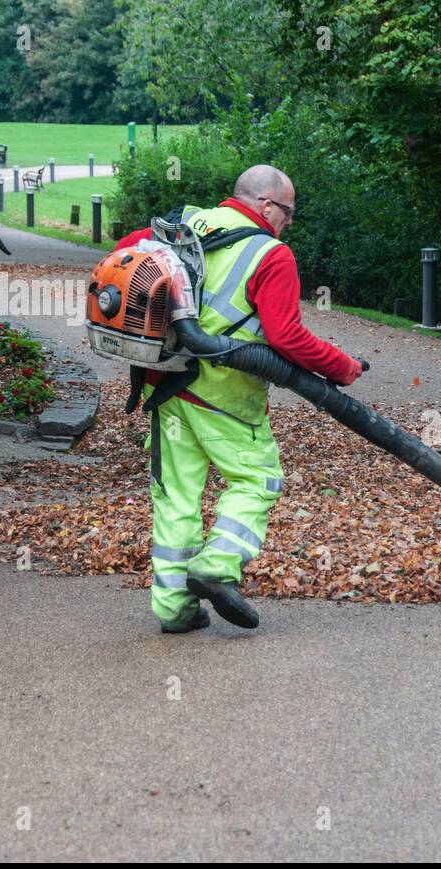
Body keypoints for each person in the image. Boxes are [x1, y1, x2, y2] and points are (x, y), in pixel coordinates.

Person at [113, 165, 364, 633]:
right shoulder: (272, 255)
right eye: (287, 212)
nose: (288, 222)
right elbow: (286, 336)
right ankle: (218, 562)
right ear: (266, 205)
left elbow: (123, 261)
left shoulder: (180, 224)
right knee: (257, 480)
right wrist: (343, 367)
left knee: (175, 497)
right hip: (224, 394)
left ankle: (174, 610)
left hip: (163, 384)